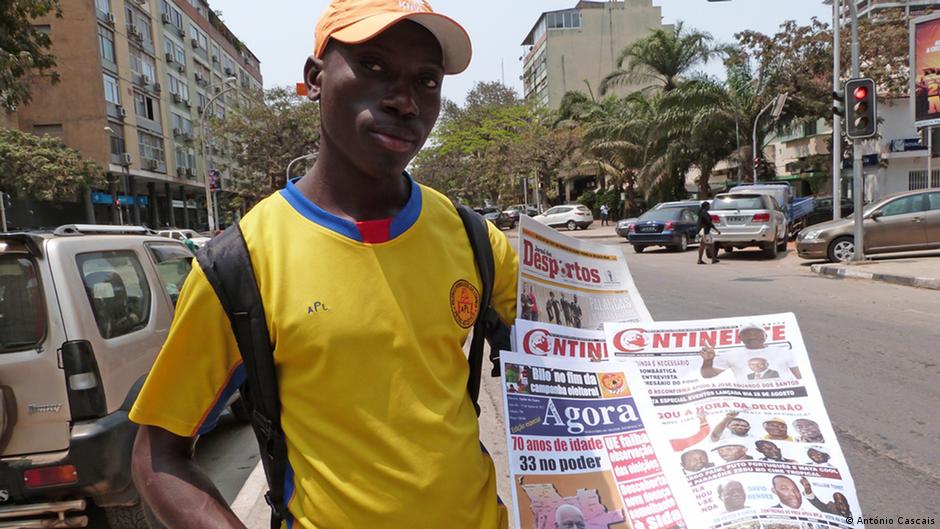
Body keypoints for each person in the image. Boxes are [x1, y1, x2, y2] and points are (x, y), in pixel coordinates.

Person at [128, 2, 517, 528]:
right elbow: (158, 454)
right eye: (374, 66)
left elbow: (574, 363)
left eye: (426, 80)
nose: (405, 101)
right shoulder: (242, 263)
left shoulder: (476, 241)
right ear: (314, 78)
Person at [699, 324, 801, 382]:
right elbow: (707, 375)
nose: (752, 336)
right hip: (749, 402)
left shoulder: (783, 351)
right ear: (740, 338)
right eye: (746, 334)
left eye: (756, 333)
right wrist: (708, 361)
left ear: (765, 336)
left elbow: (801, 376)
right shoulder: (731, 355)